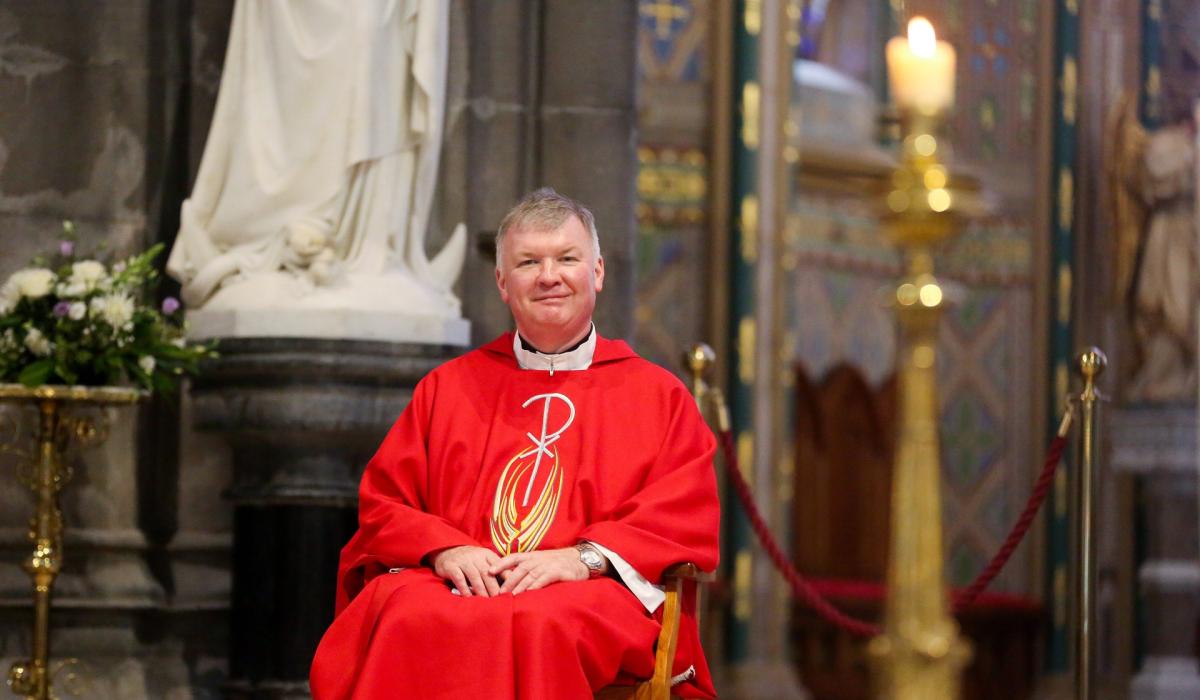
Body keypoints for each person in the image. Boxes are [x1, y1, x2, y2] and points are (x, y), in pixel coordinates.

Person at [309, 188, 720, 699]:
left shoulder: (658, 395)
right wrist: (443, 548)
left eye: (567, 259)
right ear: (504, 283)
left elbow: (681, 514)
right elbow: (385, 501)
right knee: (402, 611)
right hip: (463, 581)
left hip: (590, 592)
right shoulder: (448, 387)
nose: (549, 276)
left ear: (597, 273)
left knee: (539, 622)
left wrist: (582, 559)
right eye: (529, 262)